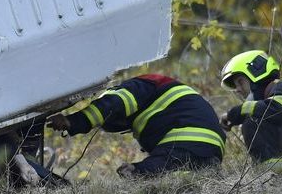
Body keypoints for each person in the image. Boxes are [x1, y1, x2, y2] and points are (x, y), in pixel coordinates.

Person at [47, 74, 224, 177]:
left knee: (145, 173)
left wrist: (72, 122)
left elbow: (111, 104)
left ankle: (135, 171)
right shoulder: (155, 94)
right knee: (178, 172)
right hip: (213, 149)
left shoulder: (134, 87)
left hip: (187, 139)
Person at [219, 50, 282, 169]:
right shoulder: (267, 97)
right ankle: (274, 169)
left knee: (252, 121)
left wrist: (237, 112)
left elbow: (279, 110)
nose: (237, 89)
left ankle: (271, 168)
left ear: (256, 73)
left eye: (240, 82)